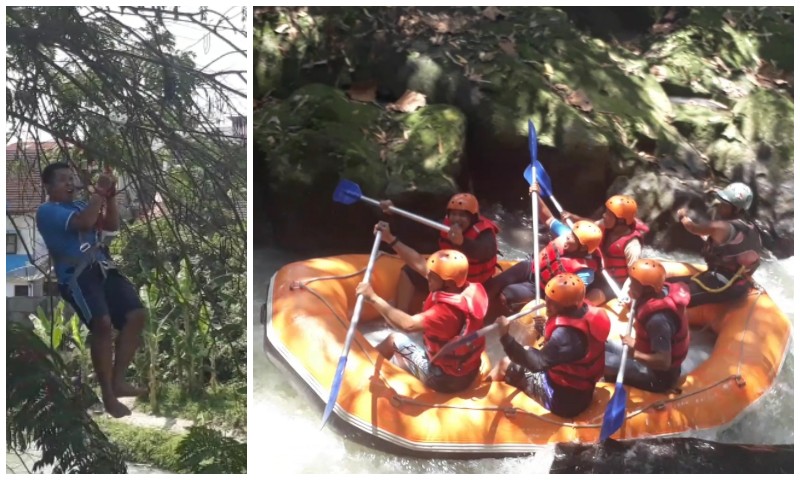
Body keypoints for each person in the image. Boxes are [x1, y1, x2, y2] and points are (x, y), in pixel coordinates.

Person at [36, 162, 147, 418]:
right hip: (77, 276)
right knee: (103, 324)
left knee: (136, 315)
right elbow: (85, 223)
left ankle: (118, 381)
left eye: (70, 179)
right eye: (63, 180)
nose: (69, 184)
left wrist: (110, 199)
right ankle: (108, 396)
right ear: (49, 186)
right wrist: (99, 192)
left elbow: (111, 226)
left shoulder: (78, 205)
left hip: (103, 267)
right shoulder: (47, 211)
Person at [356, 248, 488, 393]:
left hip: (443, 379)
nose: (427, 277)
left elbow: (408, 325)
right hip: (466, 371)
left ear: (448, 283)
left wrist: (373, 298)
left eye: (432, 277)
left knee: (393, 339)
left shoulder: (446, 312)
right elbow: (418, 264)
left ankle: (360, 372)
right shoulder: (463, 289)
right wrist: (392, 240)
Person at [490, 273, 611, 418]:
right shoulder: (584, 312)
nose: (547, 303)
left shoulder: (566, 336)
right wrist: (546, 329)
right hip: (581, 391)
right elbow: (570, 350)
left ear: (567, 305)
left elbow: (537, 364)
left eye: (553, 302)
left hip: (562, 400)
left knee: (505, 364)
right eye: (548, 299)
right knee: (527, 350)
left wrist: (505, 336)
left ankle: (485, 392)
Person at [483, 184, 602, 316]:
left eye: (573, 238)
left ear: (583, 247)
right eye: (570, 234)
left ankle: (503, 321)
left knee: (505, 296)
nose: (567, 237)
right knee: (495, 283)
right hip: (531, 267)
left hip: (541, 289)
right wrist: (536, 195)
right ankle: (478, 312)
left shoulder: (585, 272)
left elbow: (573, 296)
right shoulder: (566, 234)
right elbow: (548, 218)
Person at [378, 193, 499, 314]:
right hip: (446, 280)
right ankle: (401, 313)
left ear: (472, 218)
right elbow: (418, 227)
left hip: (472, 288)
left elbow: (484, 251)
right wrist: (394, 213)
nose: (456, 219)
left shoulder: (485, 233)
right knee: (409, 271)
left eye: (462, 215)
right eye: (453, 214)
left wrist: (462, 242)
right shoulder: (444, 226)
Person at [604, 259, 690, 393]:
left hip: (658, 377)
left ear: (647, 289)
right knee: (602, 344)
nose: (629, 287)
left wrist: (635, 353)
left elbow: (664, 361)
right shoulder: (659, 293)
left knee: (600, 362)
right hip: (646, 355)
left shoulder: (657, 320)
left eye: (633, 284)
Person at [674, 182, 761, 307]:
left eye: (725, 204)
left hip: (720, 284)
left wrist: (683, 216)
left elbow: (693, 228)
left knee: (669, 293)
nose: (720, 206)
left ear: (736, 208)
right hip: (737, 283)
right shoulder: (752, 229)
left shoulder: (721, 227)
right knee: (668, 283)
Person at [562, 195, 649, 305]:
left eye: (608, 214)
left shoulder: (632, 245)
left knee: (586, 303)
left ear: (620, 221)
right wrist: (575, 218)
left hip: (612, 284)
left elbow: (634, 274)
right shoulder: (608, 226)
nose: (604, 215)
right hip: (595, 271)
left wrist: (625, 293)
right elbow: (591, 225)